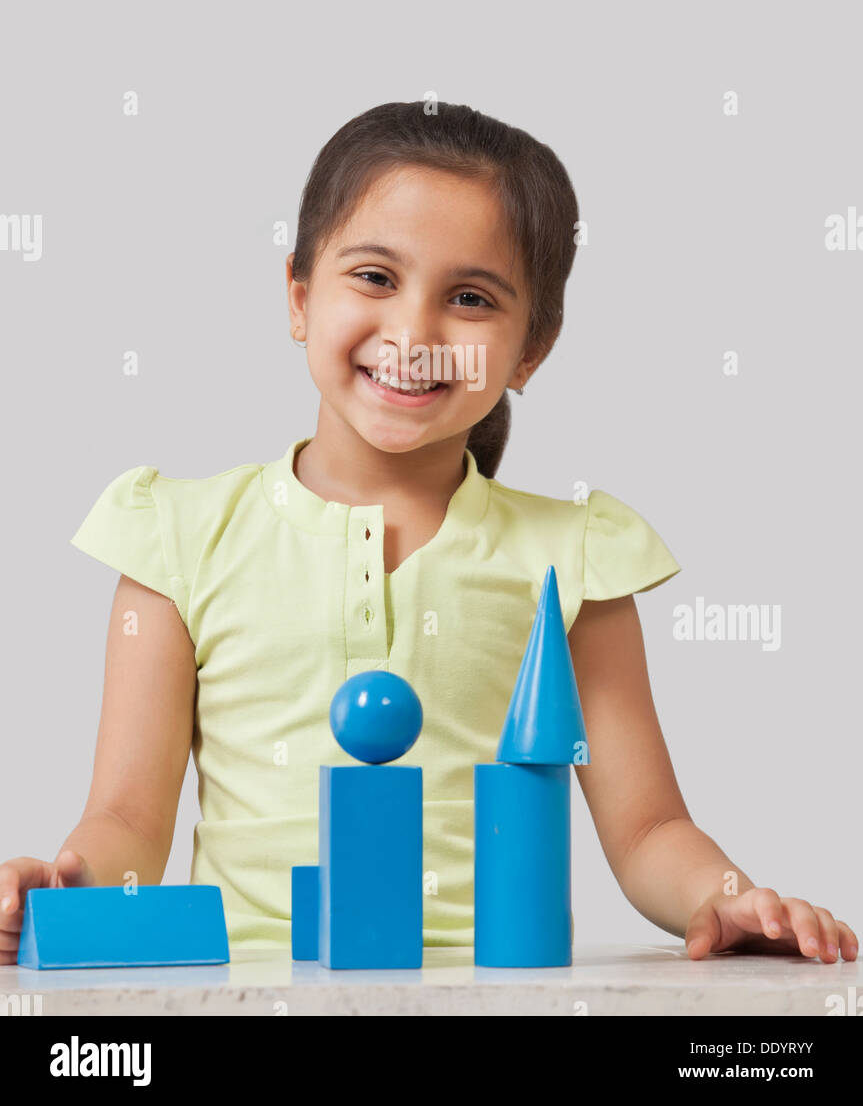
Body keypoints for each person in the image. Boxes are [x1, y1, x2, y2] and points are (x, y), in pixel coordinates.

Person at [1, 101, 856, 965]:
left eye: (470, 297)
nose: (414, 336)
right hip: (246, 994)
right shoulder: (178, 540)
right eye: (374, 277)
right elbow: (126, 822)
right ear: (298, 296)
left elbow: (646, 829)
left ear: (531, 351)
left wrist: (733, 901)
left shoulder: (573, 561)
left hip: (495, 994)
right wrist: (61, 892)